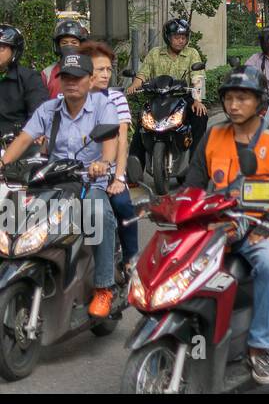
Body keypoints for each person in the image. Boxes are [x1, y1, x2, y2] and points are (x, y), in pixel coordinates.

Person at [181, 68, 269, 384]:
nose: (233, 105)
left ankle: (260, 348)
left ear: (259, 102)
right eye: (228, 98)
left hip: (261, 228)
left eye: (242, 98)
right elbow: (193, 184)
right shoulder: (213, 135)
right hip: (218, 227)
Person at [0, 53, 121, 317]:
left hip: (89, 183)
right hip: (51, 181)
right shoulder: (49, 109)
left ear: (90, 80)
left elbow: (110, 144)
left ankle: (104, 288)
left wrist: (102, 163)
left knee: (98, 215)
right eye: (66, 77)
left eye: (77, 78)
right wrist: (3, 163)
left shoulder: (103, 107)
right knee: (14, 213)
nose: (71, 83)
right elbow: (23, 140)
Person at [81, 40, 138, 272]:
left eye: (108, 70)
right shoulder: (69, 99)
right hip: (75, 174)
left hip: (109, 172)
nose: (106, 75)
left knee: (123, 205)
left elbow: (121, 140)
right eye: (100, 69)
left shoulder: (116, 99)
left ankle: (131, 260)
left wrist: (119, 178)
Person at [126, 17, 207, 168]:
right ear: (168, 38)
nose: (181, 41)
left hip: (182, 98)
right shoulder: (155, 53)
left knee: (200, 116)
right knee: (142, 123)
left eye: (183, 37)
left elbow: (197, 77)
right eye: (177, 37)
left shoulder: (192, 53)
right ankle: (134, 169)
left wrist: (198, 100)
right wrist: (134, 85)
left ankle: (196, 165)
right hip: (158, 99)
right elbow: (143, 74)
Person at [0, 25, 48, 142]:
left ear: (14, 51)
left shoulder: (29, 78)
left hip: (18, 144)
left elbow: (39, 114)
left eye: (1, 48)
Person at [41, 19, 89, 98]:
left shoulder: (89, 71)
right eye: (64, 43)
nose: (69, 46)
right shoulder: (47, 73)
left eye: (74, 43)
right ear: (58, 46)